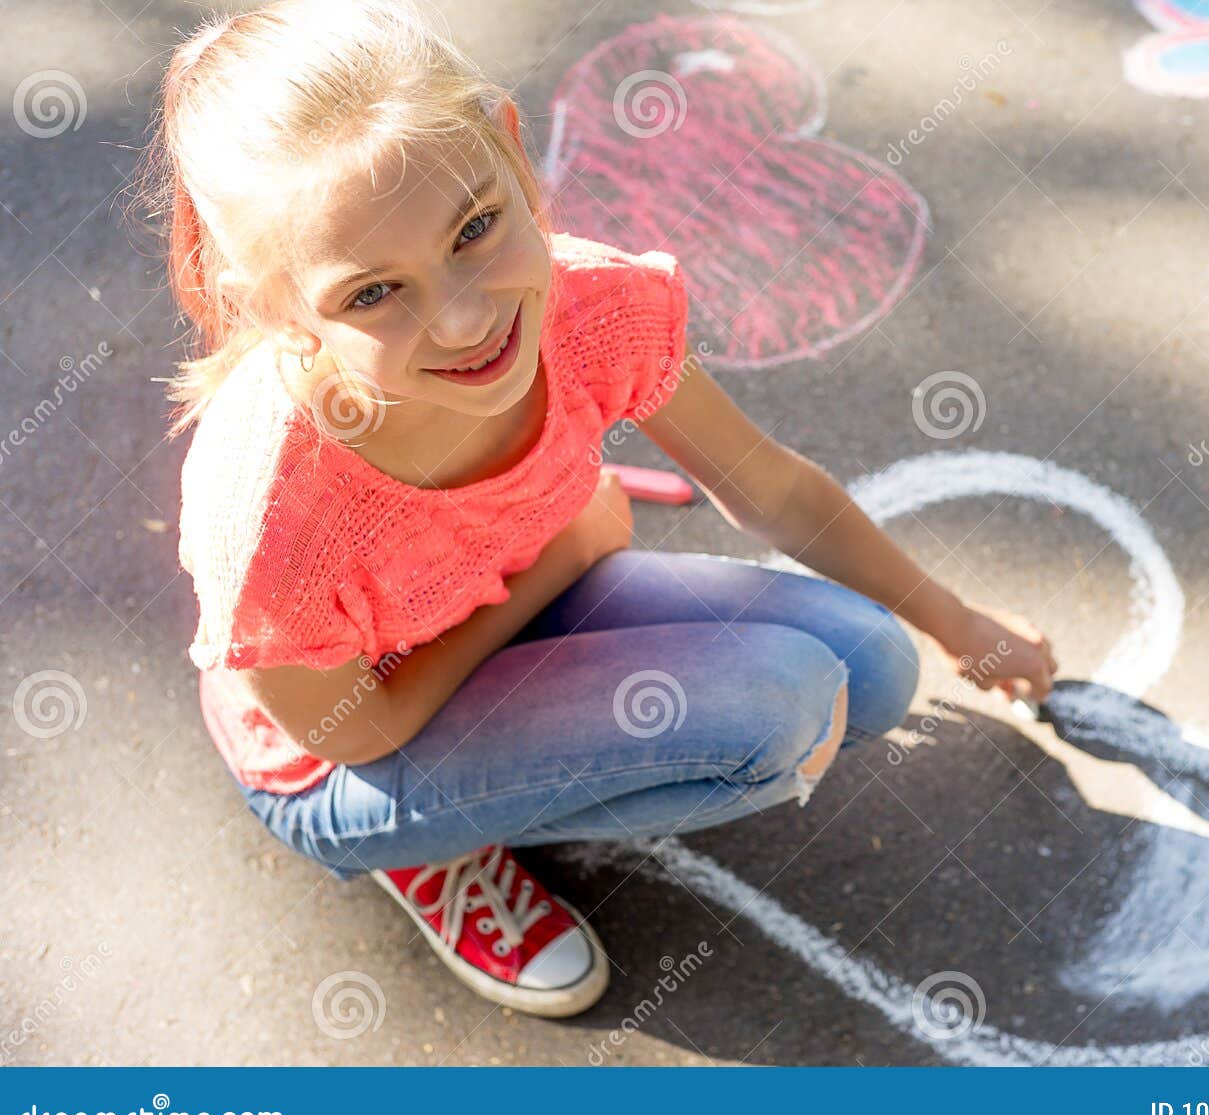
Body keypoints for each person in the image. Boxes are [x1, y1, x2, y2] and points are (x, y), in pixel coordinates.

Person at [134, 0, 1058, 1018]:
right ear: (272, 305)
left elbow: (772, 485)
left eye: (475, 228)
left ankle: (524, 763)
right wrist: (561, 558)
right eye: (372, 294)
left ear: (509, 146)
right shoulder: (270, 507)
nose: (465, 315)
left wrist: (962, 625)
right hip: (347, 760)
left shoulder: (592, 307)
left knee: (875, 666)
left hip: (520, 602)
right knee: (777, 713)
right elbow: (360, 728)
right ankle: (437, 850)